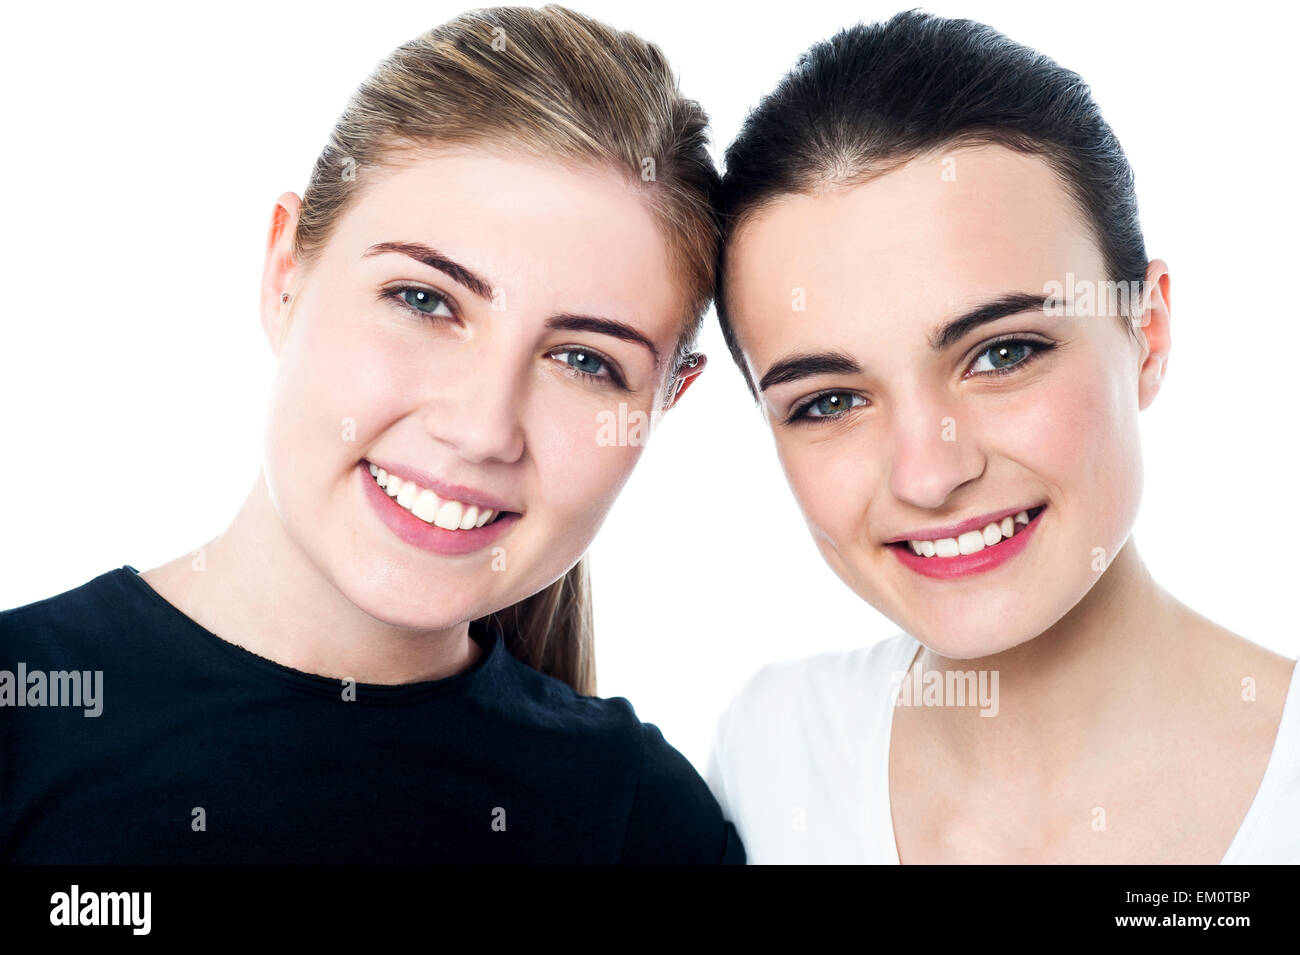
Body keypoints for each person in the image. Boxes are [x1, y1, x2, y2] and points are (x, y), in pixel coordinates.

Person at [0, 4, 743, 865]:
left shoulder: (647, 827)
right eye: (424, 300)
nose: (479, 428)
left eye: (583, 360)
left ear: (665, 401)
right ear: (285, 272)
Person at [706, 10, 1298, 864]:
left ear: (1150, 332)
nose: (929, 472)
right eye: (829, 402)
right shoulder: (772, 760)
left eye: (1003, 352)